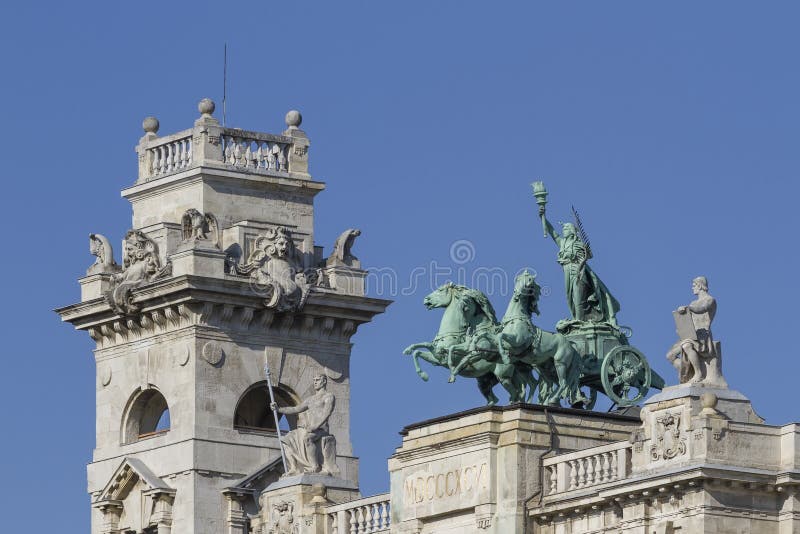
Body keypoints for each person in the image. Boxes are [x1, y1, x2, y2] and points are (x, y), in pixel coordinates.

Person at [539, 205, 620, 325]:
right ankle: (577, 317)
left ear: (572, 230)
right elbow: (552, 232)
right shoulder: (562, 243)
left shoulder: (579, 243)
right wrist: (543, 216)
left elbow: (589, 256)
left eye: (566, 228)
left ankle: (579, 320)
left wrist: (586, 252)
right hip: (567, 270)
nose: (563, 230)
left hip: (578, 270)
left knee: (578, 296)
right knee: (569, 297)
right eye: (564, 228)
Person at [271, 374, 337, 476]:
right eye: (314, 380)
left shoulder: (328, 396)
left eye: (317, 380)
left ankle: (315, 466)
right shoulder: (311, 399)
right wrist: (278, 409)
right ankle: (294, 468)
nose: (315, 382)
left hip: (321, 429)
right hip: (309, 429)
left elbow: (326, 413)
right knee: (287, 440)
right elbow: (295, 409)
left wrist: (316, 426)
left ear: (324, 382)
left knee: (307, 438)